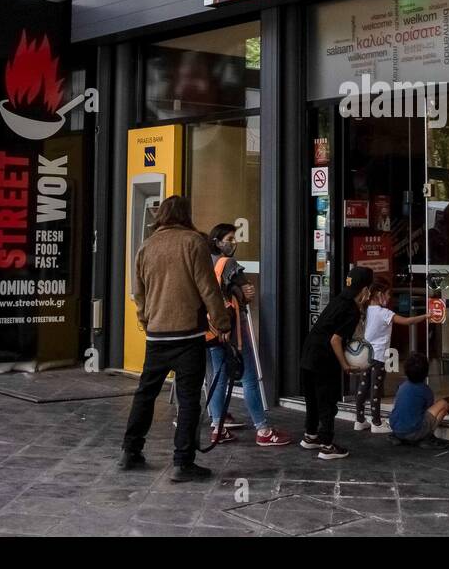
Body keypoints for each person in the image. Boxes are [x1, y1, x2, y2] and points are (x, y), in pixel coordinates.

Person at [121, 195, 231, 482]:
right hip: (188, 335)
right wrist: (221, 323)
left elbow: (139, 293)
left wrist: (147, 322)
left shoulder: (146, 246)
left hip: (157, 336)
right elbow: (208, 289)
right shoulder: (193, 242)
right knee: (188, 399)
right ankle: (183, 462)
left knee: (145, 394)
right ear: (185, 215)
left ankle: (130, 451)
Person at [204, 223, 290, 447]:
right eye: (229, 239)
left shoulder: (204, 262)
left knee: (218, 378)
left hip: (212, 330)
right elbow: (247, 291)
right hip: (234, 331)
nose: (234, 243)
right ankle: (263, 429)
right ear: (218, 241)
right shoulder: (228, 263)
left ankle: (217, 427)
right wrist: (242, 293)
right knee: (250, 377)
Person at [299, 265, 372, 460]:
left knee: (312, 399)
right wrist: (345, 365)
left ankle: (310, 435)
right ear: (365, 290)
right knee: (327, 402)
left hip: (308, 352)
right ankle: (327, 445)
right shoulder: (351, 310)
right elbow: (335, 340)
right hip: (324, 357)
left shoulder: (339, 300)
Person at [354, 278, 428, 434]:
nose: (389, 298)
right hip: (379, 355)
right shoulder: (384, 313)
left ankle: (359, 420)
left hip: (365, 354)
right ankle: (376, 422)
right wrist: (426, 316)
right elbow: (407, 321)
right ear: (379, 294)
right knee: (376, 388)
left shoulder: (365, 310)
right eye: (388, 295)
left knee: (362, 386)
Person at [388, 351, 449, 447]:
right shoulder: (426, 391)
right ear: (426, 372)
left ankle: (398, 437)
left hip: (396, 428)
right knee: (443, 406)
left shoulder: (402, 386)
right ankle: (427, 437)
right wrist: (448, 407)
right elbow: (430, 412)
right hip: (413, 431)